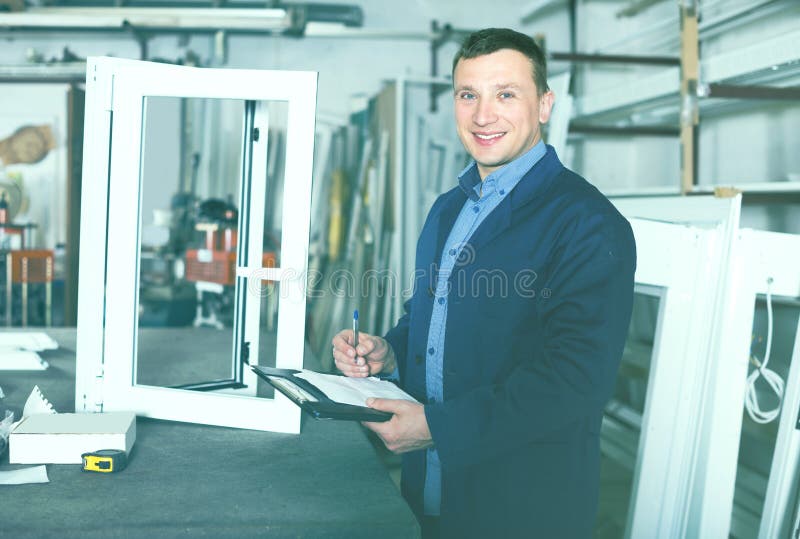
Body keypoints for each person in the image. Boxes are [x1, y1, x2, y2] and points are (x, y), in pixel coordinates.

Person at [332, 27, 636, 538]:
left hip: (523, 511)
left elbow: (576, 380)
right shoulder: (449, 208)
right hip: (429, 496)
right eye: (468, 95)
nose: (482, 116)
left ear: (544, 105)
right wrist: (391, 352)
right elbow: (429, 317)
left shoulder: (588, 223)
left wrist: (438, 429)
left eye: (506, 94)